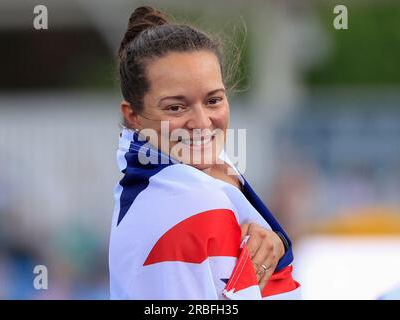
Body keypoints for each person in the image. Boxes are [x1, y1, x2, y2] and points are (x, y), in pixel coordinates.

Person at [109, 5, 300, 299]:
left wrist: (273, 244)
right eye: (175, 107)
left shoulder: (171, 180)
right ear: (133, 116)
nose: (201, 122)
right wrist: (248, 285)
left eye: (213, 101)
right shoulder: (192, 200)